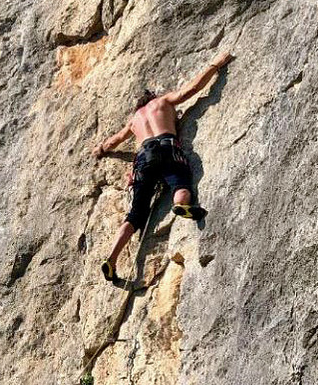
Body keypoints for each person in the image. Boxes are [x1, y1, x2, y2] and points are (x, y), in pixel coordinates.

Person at [92, 51, 234, 280]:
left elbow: (113, 141)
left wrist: (100, 149)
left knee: (136, 214)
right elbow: (192, 89)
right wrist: (216, 64)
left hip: (143, 159)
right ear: (153, 98)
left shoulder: (134, 121)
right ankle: (181, 205)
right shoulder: (162, 102)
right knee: (180, 182)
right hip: (167, 147)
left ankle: (112, 258)